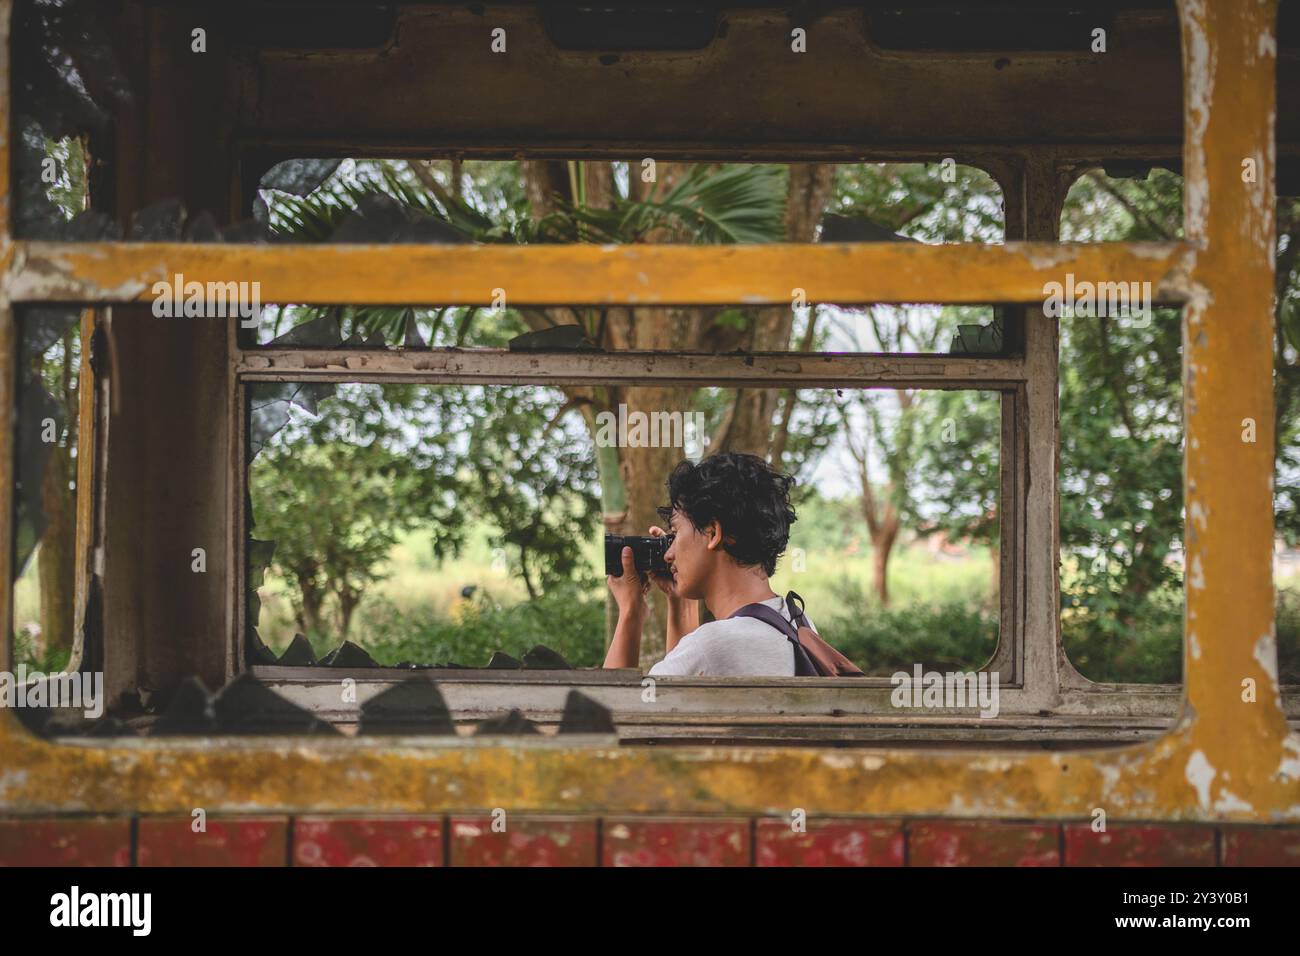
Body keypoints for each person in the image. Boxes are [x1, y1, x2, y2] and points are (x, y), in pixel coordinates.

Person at [602, 452, 811, 676]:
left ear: (713, 533)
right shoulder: (798, 624)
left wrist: (631, 611)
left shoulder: (710, 647)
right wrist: (681, 604)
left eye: (675, 533)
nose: (668, 554)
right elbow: (680, 695)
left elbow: (610, 707)